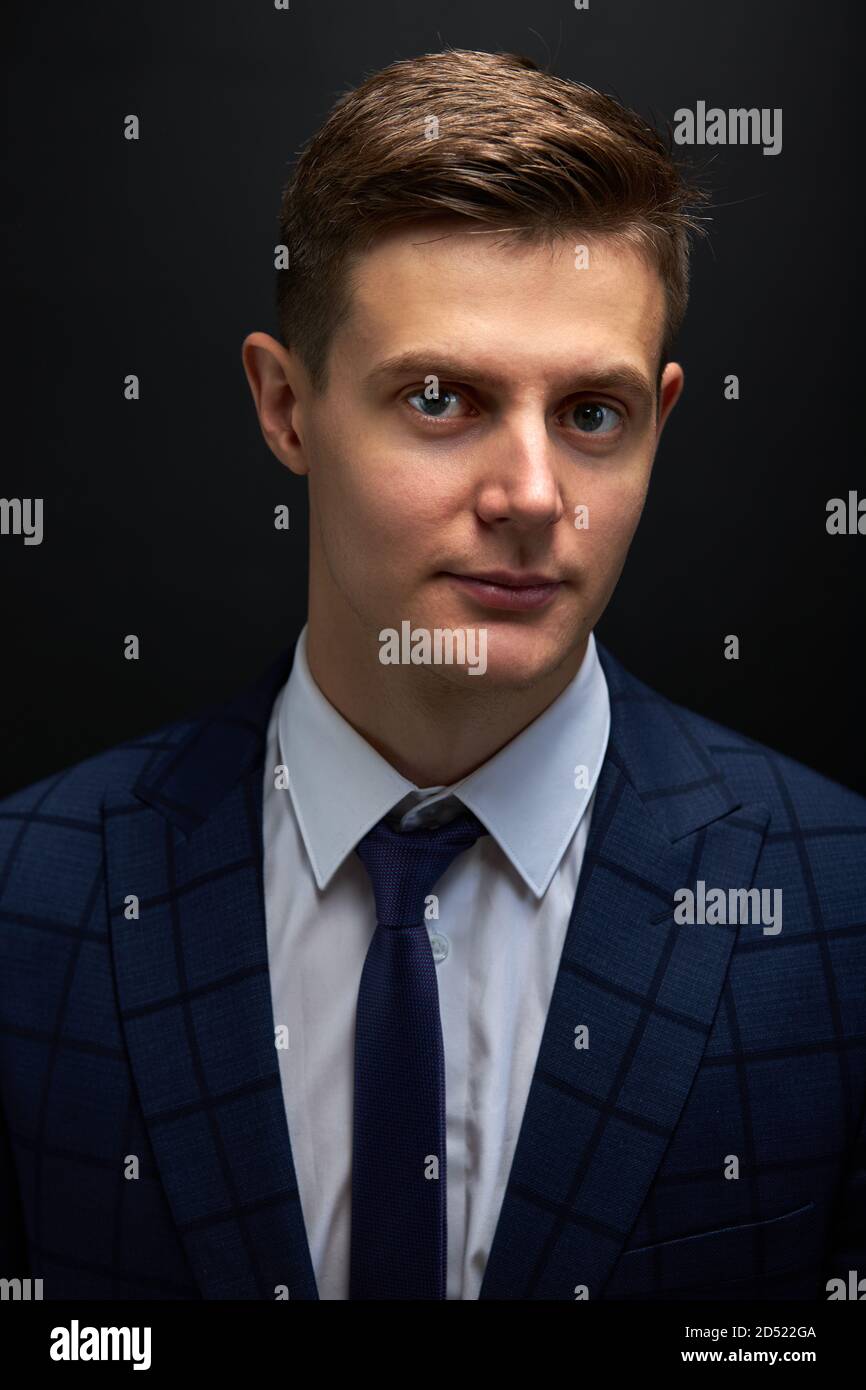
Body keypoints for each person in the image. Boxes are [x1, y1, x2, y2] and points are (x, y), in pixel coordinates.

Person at [1, 48, 863, 1302]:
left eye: (590, 414)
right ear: (285, 405)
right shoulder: (30, 897)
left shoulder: (841, 904)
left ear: (659, 422)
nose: (529, 497)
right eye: (442, 398)